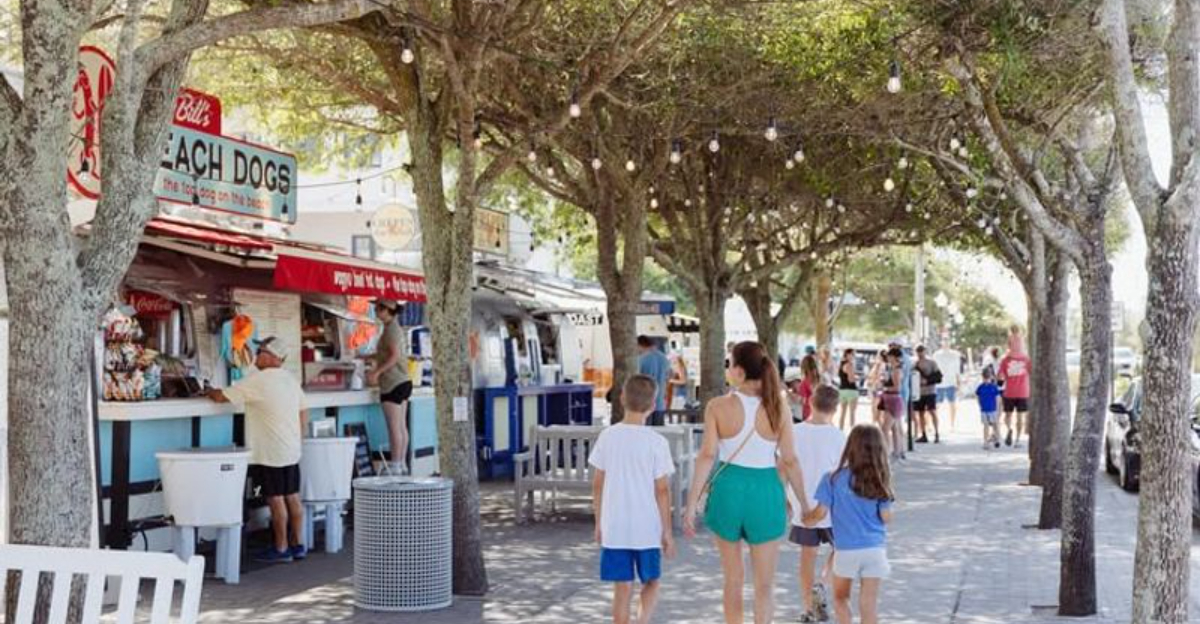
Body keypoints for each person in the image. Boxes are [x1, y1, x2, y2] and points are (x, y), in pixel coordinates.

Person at [683, 341, 811, 624]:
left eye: (729, 364)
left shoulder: (717, 406)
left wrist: (691, 505)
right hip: (765, 491)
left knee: (733, 579)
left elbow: (707, 456)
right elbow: (790, 460)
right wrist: (804, 503)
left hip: (728, 489)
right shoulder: (779, 407)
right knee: (764, 585)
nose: (728, 369)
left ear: (739, 371)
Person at [207, 336, 308, 563]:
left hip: (269, 452)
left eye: (261, 351)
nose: (256, 355)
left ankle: (281, 548)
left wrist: (208, 390)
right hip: (290, 449)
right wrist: (298, 438)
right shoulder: (290, 379)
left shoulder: (259, 380)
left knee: (275, 499)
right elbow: (304, 411)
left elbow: (222, 397)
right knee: (292, 496)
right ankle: (298, 544)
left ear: (272, 357)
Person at [590, 375, 676, 624]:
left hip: (615, 526)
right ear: (653, 405)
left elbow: (598, 484)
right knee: (652, 581)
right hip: (646, 528)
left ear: (622, 398)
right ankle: (642, 621)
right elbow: (662, 490)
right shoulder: (657, 442)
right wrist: (667, 531)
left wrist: (598, 522)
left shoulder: (607, 437)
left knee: (622, 587)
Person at [803, 425, 895, 624]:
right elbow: (886, 517)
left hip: (846, 550)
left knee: (840, 598)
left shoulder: (832, 478)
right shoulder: (880, 480)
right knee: (869, 604)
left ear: (850, 447)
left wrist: (806, 518)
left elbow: (820, 513)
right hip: (874, 549)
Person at [790, 386, 848, 623]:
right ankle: (822, 582)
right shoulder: (839, 437)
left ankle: (807, 609)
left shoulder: (793, 433)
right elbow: (844, 474)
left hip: (802, 504)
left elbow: (784, 466)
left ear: (810, 403)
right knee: (841, 548)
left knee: (807, 556)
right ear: (835, 409)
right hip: (831, 505)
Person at [367, 299, 413, 475]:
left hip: (392, 382)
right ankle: (402, 464)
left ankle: (395, 465)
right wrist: (368, 357)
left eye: (378, 308)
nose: (375, 311)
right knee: (401, 426)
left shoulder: (391, 330)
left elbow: (394, 355)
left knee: (394, 427)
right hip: (403, 381)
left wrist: (377, 372)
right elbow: (388, 353)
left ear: (387, 310)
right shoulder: (393, 328)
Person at [998, 331, 1032, 448]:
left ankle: (1009, 429)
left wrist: (1000, 382)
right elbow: (1031, 372)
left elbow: (1000, 376)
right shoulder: (1026, 359)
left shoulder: (1005, 360)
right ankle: (1017, 440)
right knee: (1020, 417)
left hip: (1009, 392)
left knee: (1007, 416)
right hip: (1023, 392)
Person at [638, 335, 672, 425]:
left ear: (640, 345)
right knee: (658, 431)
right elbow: (668, 377)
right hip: (660, 403)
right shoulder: (665, 359)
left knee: (645, 431)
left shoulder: (641, 359)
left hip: (644, 404)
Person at [879, 349, 906, 461]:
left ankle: (888, 451)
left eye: (889, 356)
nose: (888, 358)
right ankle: (897, 451)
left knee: (885, 428)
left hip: (893, 399)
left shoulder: (897, 370)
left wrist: (885, 387)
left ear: (894, 357)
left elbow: (897, 387)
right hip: (890, 398)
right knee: (895, 428)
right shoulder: (893, 369)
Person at [912, 346, 942, 444]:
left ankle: (936, 433)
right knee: (920, 413)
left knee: (932, 411)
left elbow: (938, 377)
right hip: (919, 392)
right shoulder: (914, 364)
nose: (920, 353)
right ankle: (923, 434)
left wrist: (928, 381)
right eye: (918, 351)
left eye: (921, 351)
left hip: (930, 391)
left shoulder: (931, 363)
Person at [932, 343, 962, 430]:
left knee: (952, 404)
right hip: (940, 383)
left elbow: (957, 370)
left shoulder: (955, 355)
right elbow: (934, 369)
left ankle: (952, 424)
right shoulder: (936, 355)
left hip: (950, 382)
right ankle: (935, 424)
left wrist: (958, 382)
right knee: (936, 405)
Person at [976, 369, 1003, 449]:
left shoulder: (994, 387)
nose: (986, 379)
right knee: (986, 425)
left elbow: (998, 398)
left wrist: (997, 409)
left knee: (995, 424)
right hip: (984, 409)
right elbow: (978, 397)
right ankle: (986, 441)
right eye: (985, 377)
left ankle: (997, 439)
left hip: (993, 409)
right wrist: (980, 406)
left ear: (991, 377)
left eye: (988, 377)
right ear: (982, 377)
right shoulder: (980, 387)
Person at [837, 349, 859, 430]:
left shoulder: (841, 364)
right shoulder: (849, 365)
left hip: (842, 390)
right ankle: (853, 433)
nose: (854, 356)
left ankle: (840, 431)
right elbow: (851, 380)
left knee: (842, 413)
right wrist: (857, 378)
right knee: (852, 413)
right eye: (852, 354)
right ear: (847, 354)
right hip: (851, 390)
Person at [798, 354, 821, 422]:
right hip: (820, 413)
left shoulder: (804, 383)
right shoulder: (819, 379)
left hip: (808, 414)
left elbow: (803, 401)